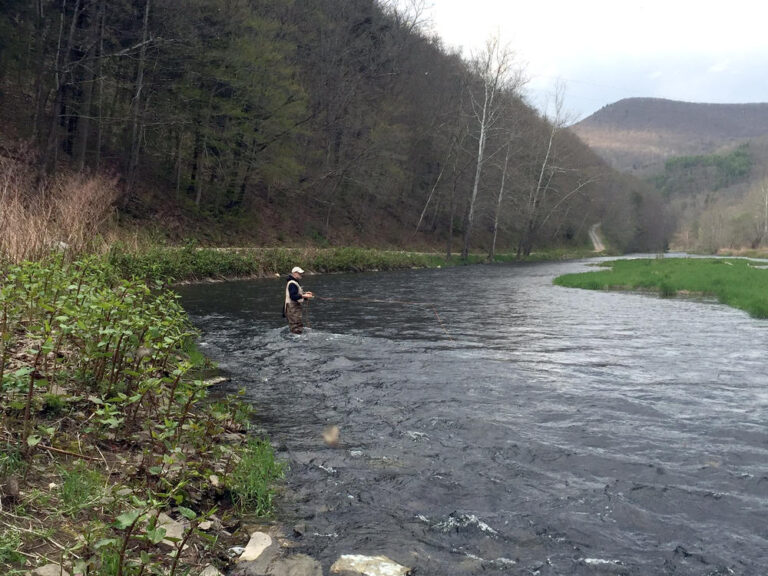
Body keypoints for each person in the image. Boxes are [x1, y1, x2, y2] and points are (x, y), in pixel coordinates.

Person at [284, 266, 314, 334]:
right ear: (294, 273)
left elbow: (296, 294)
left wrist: (305, 294)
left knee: (298, 324)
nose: (301, 274)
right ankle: (296, 339)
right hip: (292, 308)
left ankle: (298, 336)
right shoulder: (292, 283)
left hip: (294, 308)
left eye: (301, 273)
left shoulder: (294, 282)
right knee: (295, 325)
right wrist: (304, 296)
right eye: (299, 273)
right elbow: (293, 296)